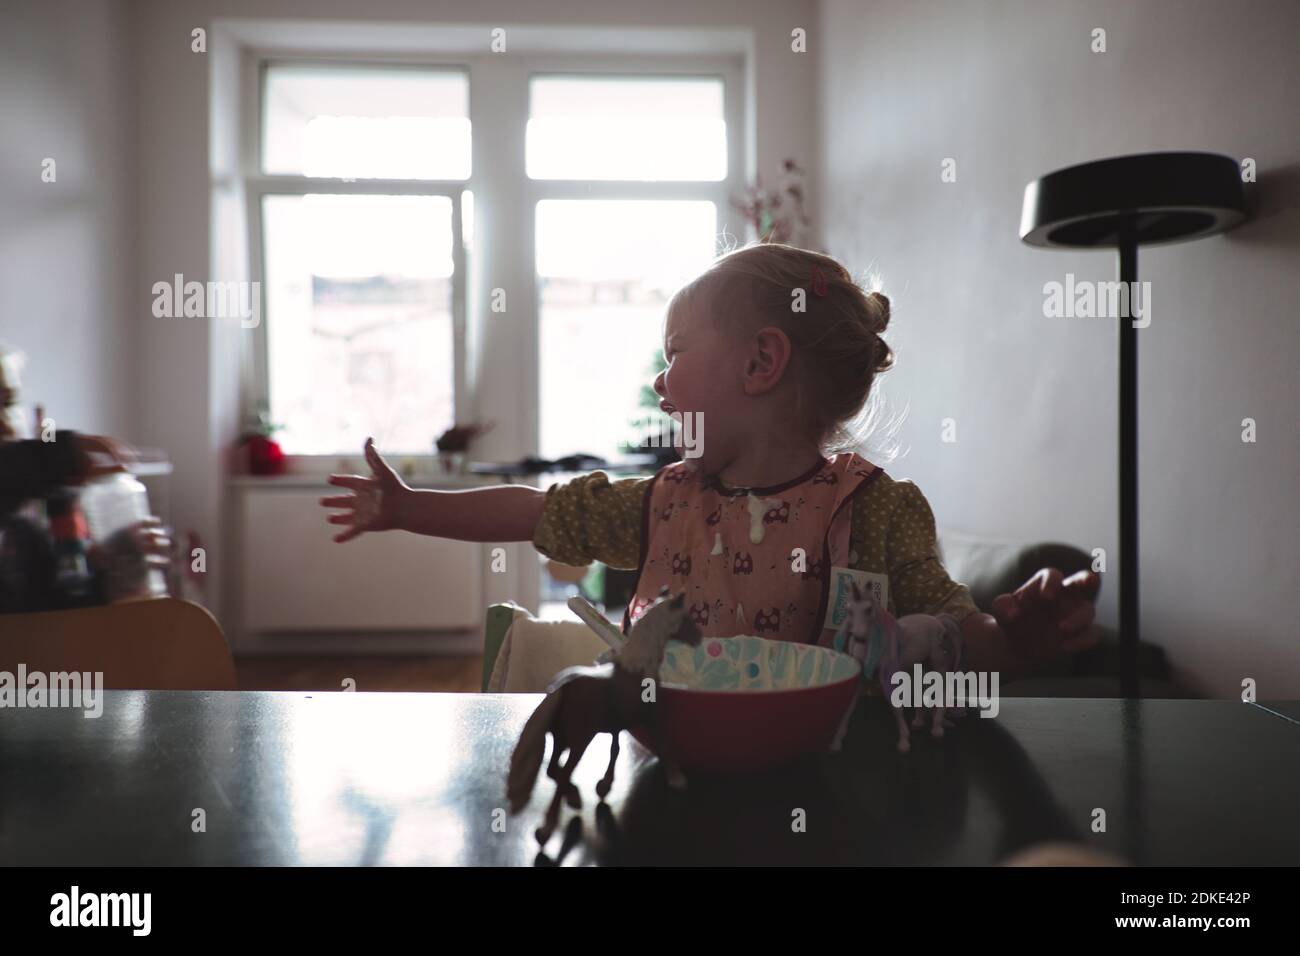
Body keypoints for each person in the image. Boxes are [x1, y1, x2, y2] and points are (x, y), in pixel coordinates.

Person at [320, 243, 1100, 682]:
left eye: (676, 355)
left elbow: (960, 641)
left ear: (761, 363)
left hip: (825, 798)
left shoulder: (879, 513)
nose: (660, 383)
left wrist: (1015, 633)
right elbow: (533, 509)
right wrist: (409, 508)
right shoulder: (660, 503)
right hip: (671, 770)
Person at [0, 431, 170, 611]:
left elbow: (45, 617)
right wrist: (60, 455)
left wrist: (113, 568)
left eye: (8, 406)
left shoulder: (22, 535)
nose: (5, 423)